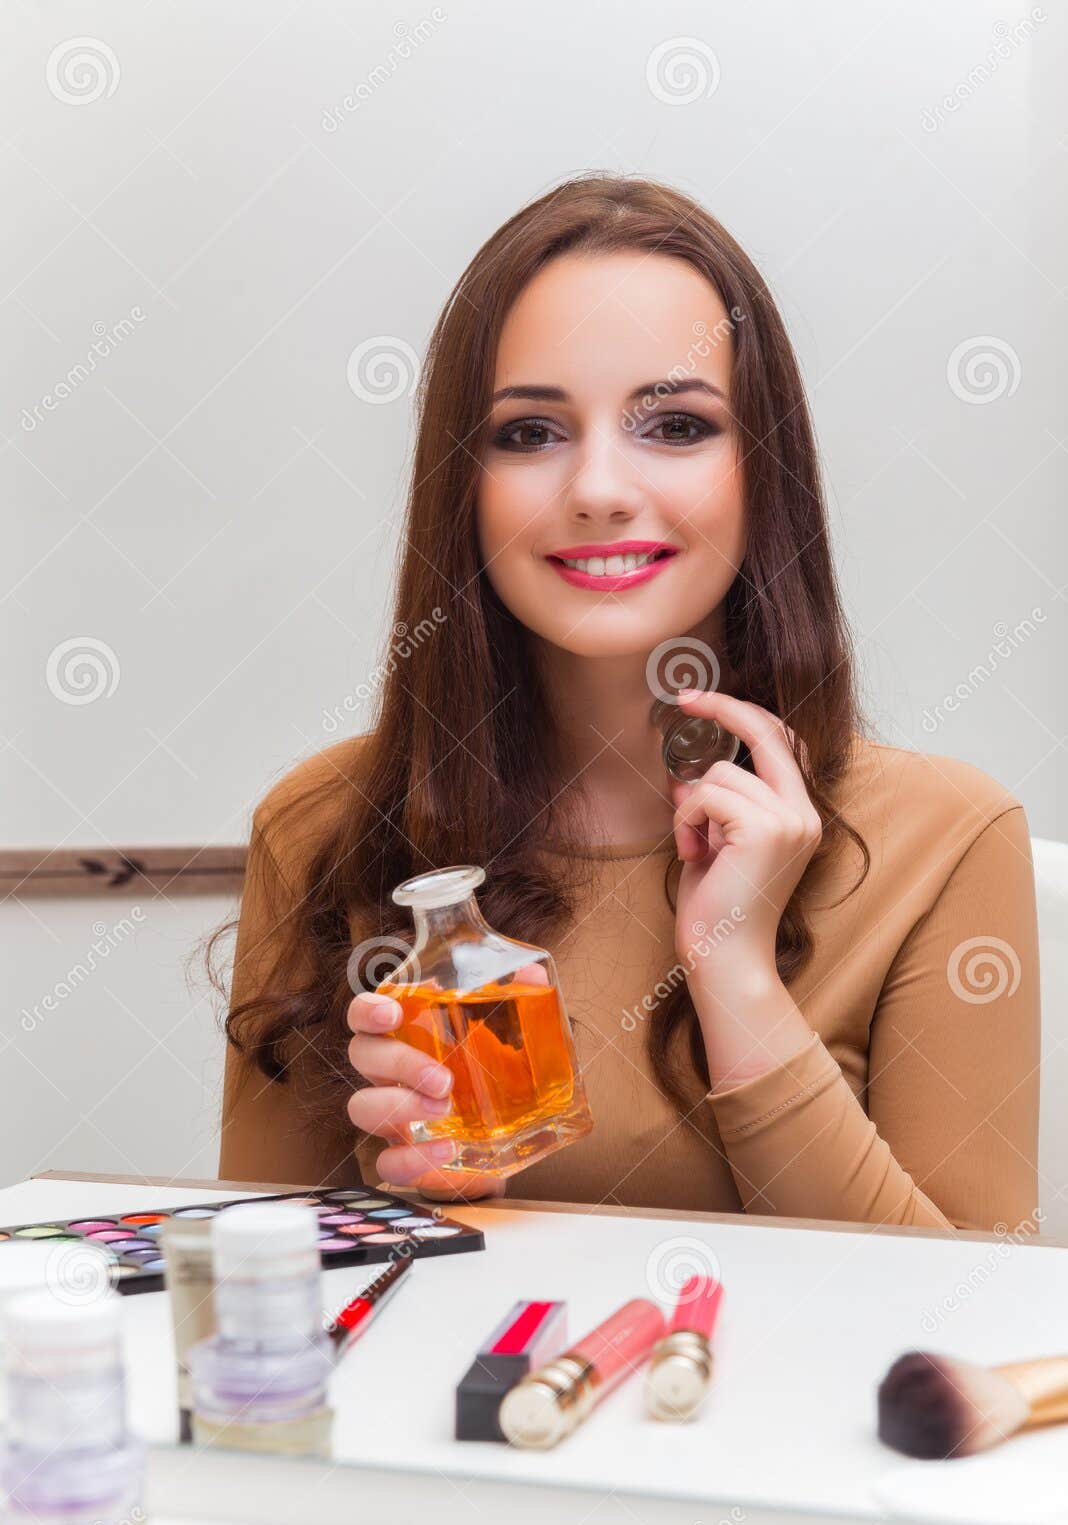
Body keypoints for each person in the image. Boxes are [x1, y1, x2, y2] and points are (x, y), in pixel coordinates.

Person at [209, 174, 1039, 1233]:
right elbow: (266, 1299)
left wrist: (733, 965)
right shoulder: (320, 824)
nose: (598, 487)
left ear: (761, 471)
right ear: (460, 486)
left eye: (675, 425)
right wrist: (418, 1198)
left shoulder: (949, 839)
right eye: (529, 435)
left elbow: (971, 1323)